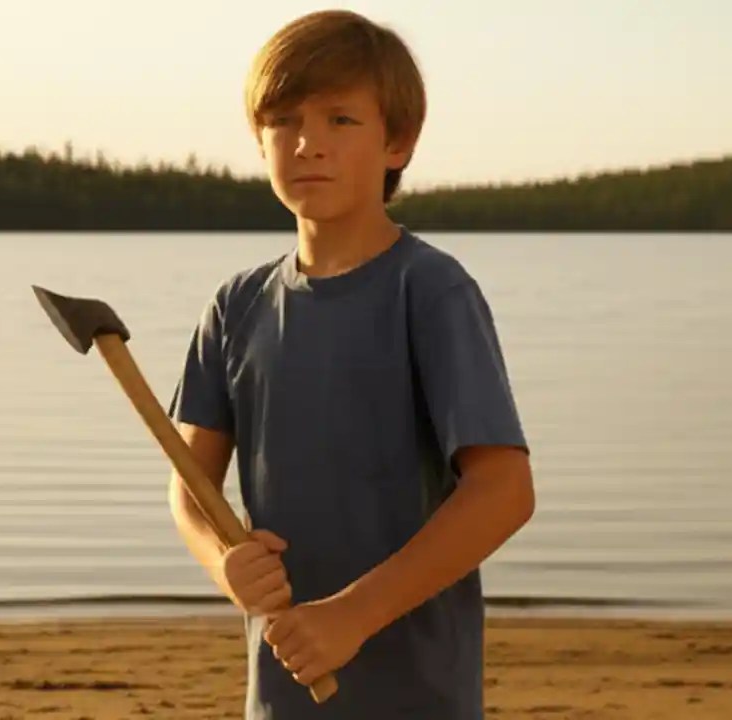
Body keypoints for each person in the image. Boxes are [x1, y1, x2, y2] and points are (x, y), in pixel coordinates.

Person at [167, 9, 535, 718]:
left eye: (341, 120)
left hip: (418, 694)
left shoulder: (430, 292)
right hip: (281, 696)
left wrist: (352, 615)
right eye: (284, 120)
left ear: (397, 141)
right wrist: (227, 566)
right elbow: (190, 493)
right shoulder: (235, 307)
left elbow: (504, 491)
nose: (309, 144)